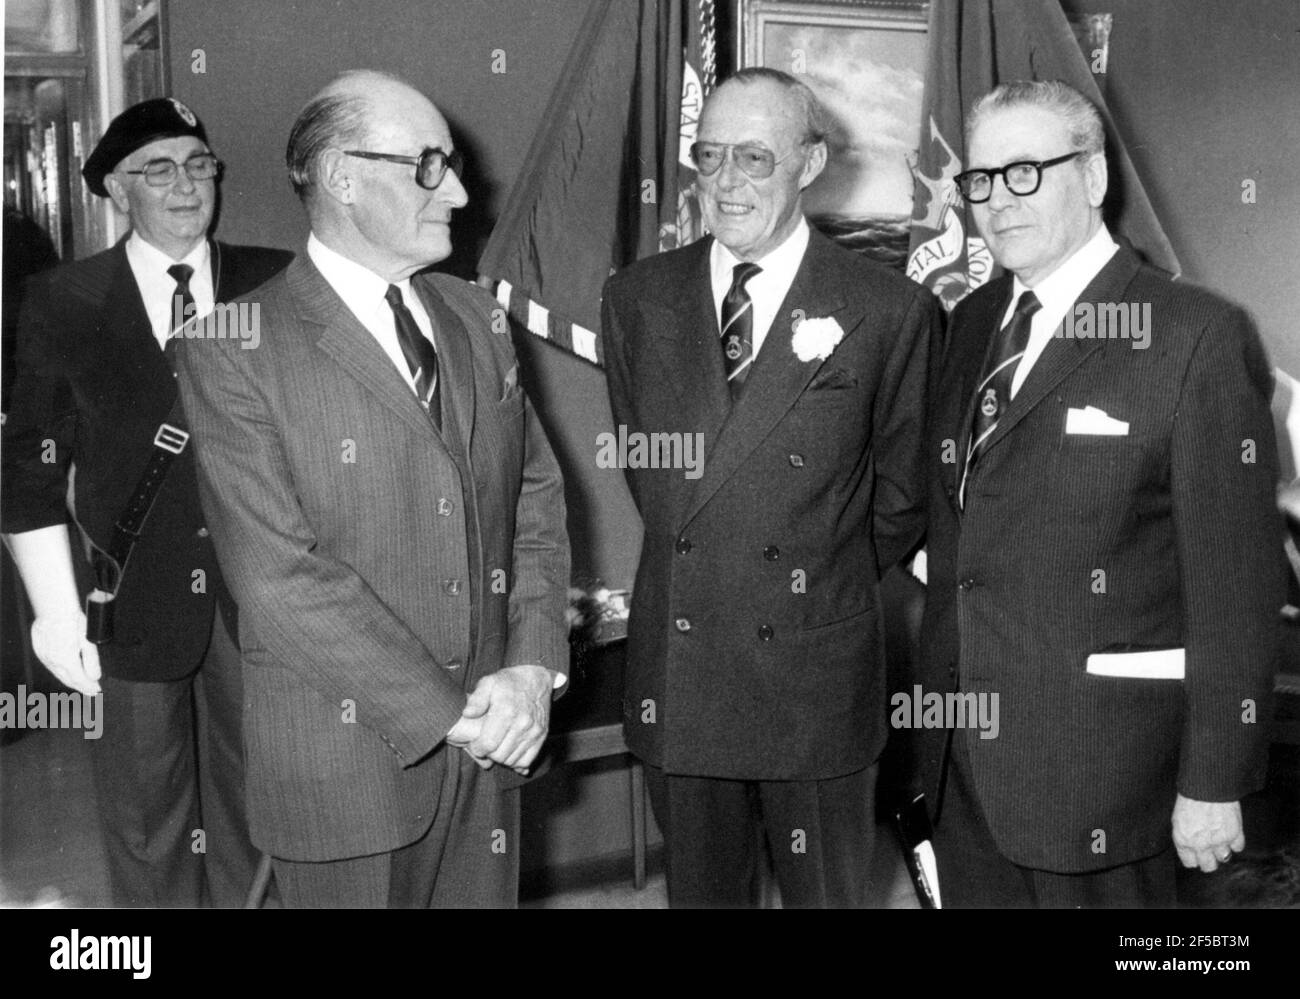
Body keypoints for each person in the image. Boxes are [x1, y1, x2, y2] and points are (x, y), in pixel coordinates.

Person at [173, 70, 570, 908]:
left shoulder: (478, 318)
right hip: (343, 776)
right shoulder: (230, 347)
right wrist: (453, 713)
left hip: (493, 756)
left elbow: (532, 503)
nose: (459, 191)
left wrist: (533, 667)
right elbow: (281, 579)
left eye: (453, 163)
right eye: (429, 165)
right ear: (342, 178)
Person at [914, 80, 1283, 907]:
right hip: (964, 766)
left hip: (1107, 776)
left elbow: (1237, 586)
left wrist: (1216, 777)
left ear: (1093, 177)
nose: (996, 202)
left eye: (1024, 173)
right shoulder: (971, 323)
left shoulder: (1193, 335)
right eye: (979, 179)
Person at [602, 67, 940, 908]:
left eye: (753, 157)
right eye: (708, 156)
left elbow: (903, 494)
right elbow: (657, 477)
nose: (723, 182)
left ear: (811, 163)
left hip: (814, 672)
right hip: (684, 665)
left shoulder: (888, 308)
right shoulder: (636, 298)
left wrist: (814, 581)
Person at [2, 98, 291, 905]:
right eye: (158, 170)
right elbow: (27, 463)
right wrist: (54, 610)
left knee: (261, 813)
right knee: (144, 821)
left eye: (199, 164)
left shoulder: (276, 282)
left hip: (261, 599)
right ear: (117, 192)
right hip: (125, 601)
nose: (186, 184)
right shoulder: (66, 300)